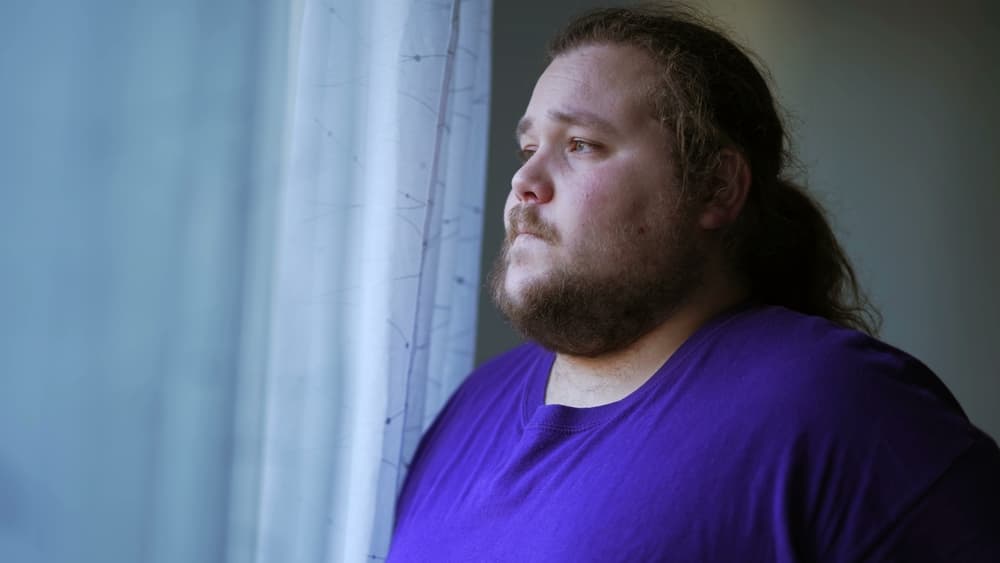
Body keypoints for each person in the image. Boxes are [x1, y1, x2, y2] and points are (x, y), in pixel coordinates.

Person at [386, 5, 1000, 561]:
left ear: (715, 187)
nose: (524, 182)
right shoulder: (471, 406)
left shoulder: (842, 406)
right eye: (528, 148)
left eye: (581, 145)